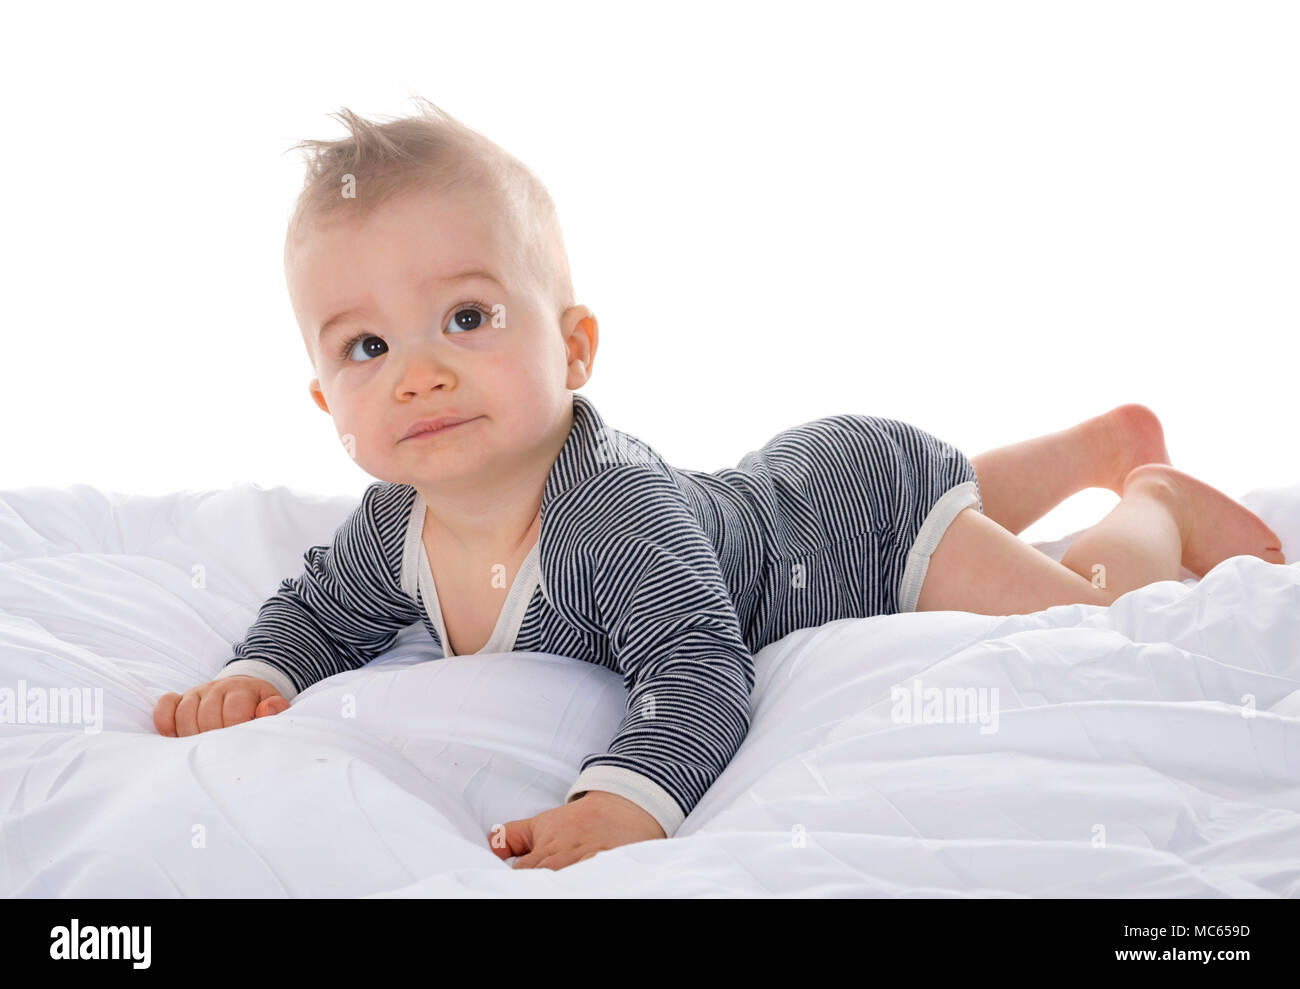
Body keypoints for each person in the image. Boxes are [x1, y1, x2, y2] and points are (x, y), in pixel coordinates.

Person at [153, 98, 1285, 871]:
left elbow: (698, 670)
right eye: (365, 348)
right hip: (798, 489)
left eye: (464, 317)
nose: (421, 373)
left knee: (1066, 607)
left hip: (859, 526)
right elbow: (319, 604)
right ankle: (1094, 444)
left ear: (574, 345)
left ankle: (1151, 505)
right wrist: (259, 669)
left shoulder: (609, 515)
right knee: (956, 495)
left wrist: (621, 802)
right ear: (322, 401)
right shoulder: (392, 523)